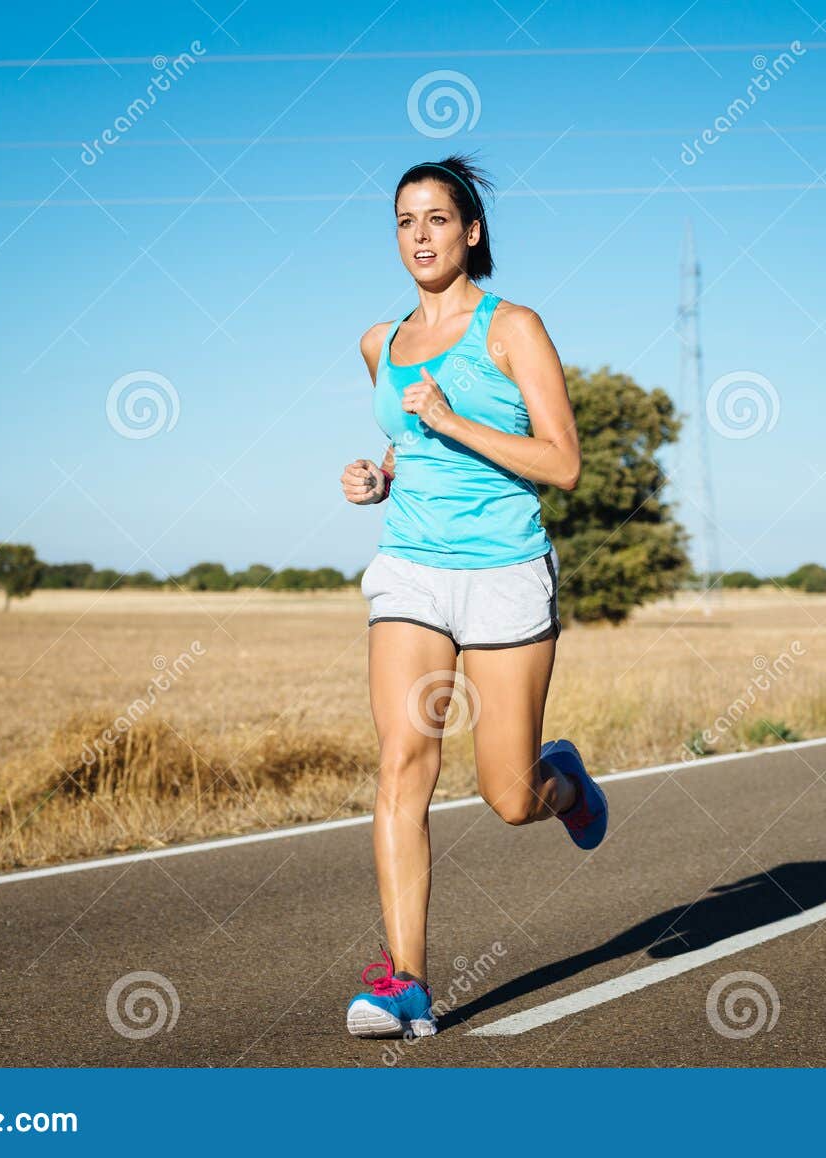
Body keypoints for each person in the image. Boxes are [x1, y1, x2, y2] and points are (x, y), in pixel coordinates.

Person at [338, 153, 608, 1039]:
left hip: (503, 574)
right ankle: (406, 982)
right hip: (411, 567)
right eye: (405, 222)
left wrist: (456, 418)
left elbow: (562, 464)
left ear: (472, 231)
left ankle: (560, 783)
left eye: (437, 220)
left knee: (506, 795)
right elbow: (408, 451)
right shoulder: (382, 341)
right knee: (403, 762)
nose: (420, 237)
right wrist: (378, 478)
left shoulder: (512, 329)